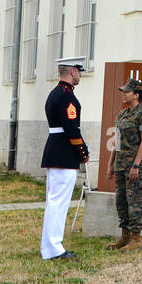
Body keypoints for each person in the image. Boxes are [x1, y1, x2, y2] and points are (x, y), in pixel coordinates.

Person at [41, 56, 90, 260]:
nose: (80, 75)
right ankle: (53, 248)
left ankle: (50, 247)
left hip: (56, 150)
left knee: (54, 201)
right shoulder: (66, 96)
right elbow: (71, 129)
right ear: (72, 72)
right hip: (63, 152)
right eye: (78, 71)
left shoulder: (55, 93)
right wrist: (83, 151)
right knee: (58, 202)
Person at [110, 78, 142, 251]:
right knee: (121, 202)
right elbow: (116, 141)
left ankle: (137, 239)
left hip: (138, 166)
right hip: (121, 165)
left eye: (126, 92)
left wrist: (136, 166)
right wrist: (110, 164)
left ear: (136, 95)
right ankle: (125, 237)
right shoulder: (122, 115)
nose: (123, 94)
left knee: (136, 201)